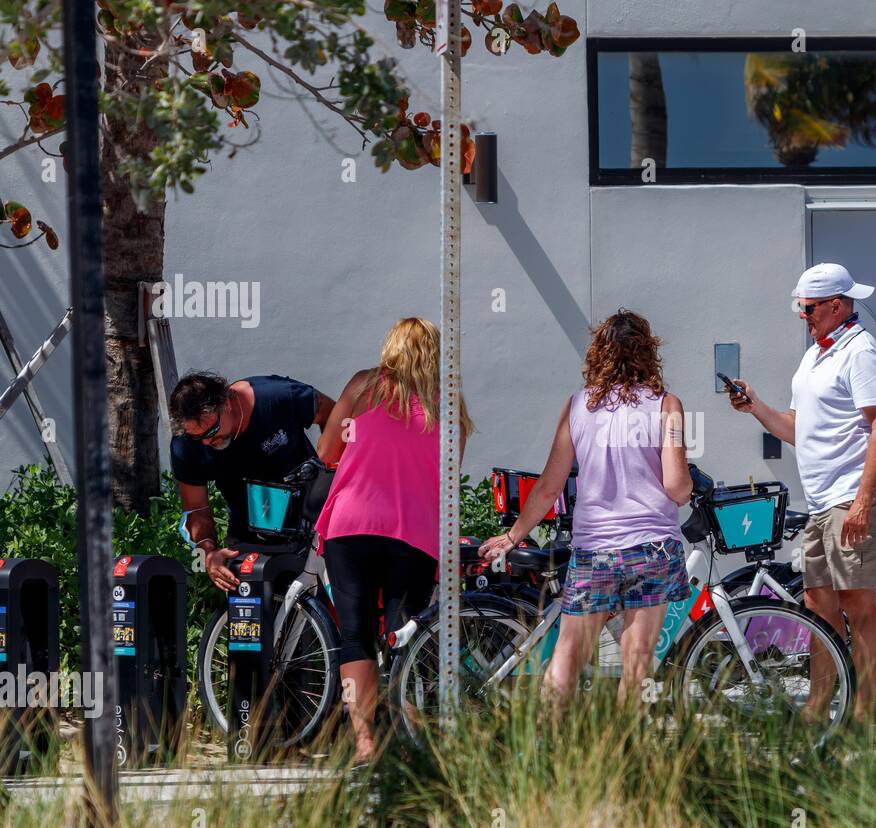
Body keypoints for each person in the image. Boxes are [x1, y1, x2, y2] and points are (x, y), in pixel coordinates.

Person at [479, 309, 692, 708]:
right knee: (638, 663)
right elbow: (677, 487)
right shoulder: (667, 406)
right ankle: (625, 753)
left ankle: (548, 748)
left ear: (598, 353)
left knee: (568, 655)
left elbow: (548, 487)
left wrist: (512, 536)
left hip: (595, 550)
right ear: (648, 352)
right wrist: (690, 486)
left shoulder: (577, 407)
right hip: (653, 548)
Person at [727, 262, 876, 729]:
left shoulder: (861, 351)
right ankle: (818, 708)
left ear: (836, 305)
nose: (801, 316)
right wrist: (756, 408)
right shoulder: (814, 355)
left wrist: (864, 501)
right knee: (817, 605)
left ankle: (863, 715)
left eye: (807, 309)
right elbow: (796, 428)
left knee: (856, 602)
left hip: (856, 493)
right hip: (824, 499)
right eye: (798, 308)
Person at [314, 317, 473, 761]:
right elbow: (449, 471)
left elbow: (327, 452)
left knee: (356, 635)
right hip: (415, 534)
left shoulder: (365, 387)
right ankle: (411, 738)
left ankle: (365, 743)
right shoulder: (449, 407)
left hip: (352, 527)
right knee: (407, 634)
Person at [170, 371, 334, 591]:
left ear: (227, 402)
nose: (207, 441)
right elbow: (196, 510)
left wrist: (327, 473)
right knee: (251, 619)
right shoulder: (185, 446)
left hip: (312, 529)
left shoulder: (276, 397)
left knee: (327, 613)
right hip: (248, 540)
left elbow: (334, 416)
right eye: (197, 437)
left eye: (213, 430)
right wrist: (207, 551)